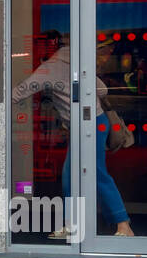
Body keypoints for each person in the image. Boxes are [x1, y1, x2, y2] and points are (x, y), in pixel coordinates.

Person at [10, 31, 134, 238]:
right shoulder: (78, 61)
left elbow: (18, 93)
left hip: (89, 124)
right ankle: (71, 224)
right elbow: (102, 90)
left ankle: (123, 225)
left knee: (96, 173)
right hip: (97, 121)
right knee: (70, 177)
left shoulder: (48, 68)